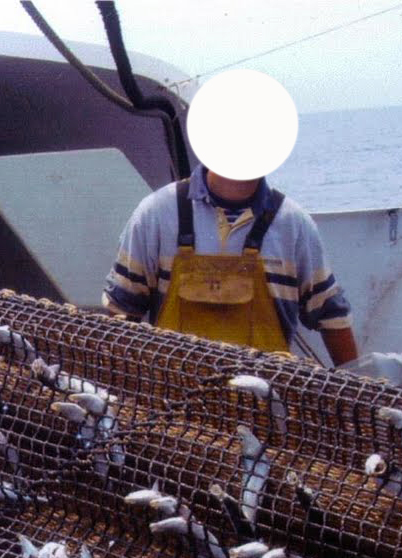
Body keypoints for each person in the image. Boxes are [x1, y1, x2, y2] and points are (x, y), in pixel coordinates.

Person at [102, 70, 359, 366]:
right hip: (171, 391)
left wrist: (358, 388)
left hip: (267, 393)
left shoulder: (294, 225)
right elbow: (121, 313)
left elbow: (332, 316)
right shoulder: (156, 214)